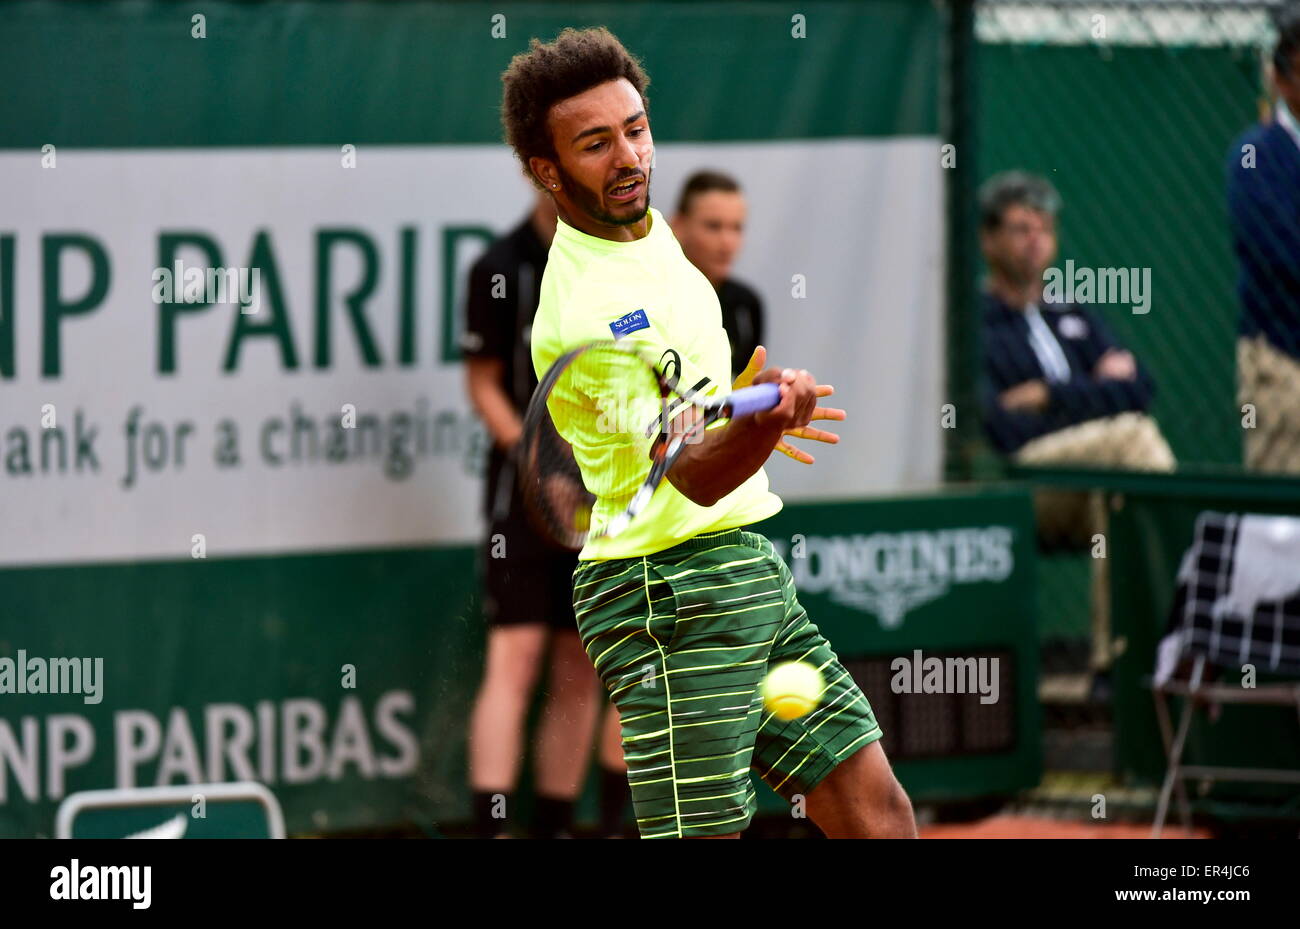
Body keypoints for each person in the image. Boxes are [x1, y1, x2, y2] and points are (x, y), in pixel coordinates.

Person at [501, 26, 915, 839]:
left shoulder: (653, 234)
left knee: (878, 812)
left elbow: (690, 409)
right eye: (595, 144)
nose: (629, 158)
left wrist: (749, 403)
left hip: (744, 566)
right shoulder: (581, 312)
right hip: (665, 592)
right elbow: (689, 473)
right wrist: (764, 429)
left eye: (637, 129)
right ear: (546, 171)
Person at [461, 191, 627, 838]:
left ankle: (555, 825)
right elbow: (482, 384)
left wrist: (595, 480)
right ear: (541, 173)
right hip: (521, 500)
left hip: (603, 501)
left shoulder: (619, 266)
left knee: (581, 662)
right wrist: (543, 468)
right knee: (516, 658)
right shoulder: (499, 267)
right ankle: (491, 827)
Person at [978, 170, 1175, 678]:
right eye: (1022, 228)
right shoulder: (973, 320)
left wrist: (1050, 396)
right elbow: (1004, 430)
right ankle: (1174, 636)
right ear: (989, 238)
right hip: (1021, 483)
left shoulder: (1073, 312)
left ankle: (1119, 666)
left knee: (1121, 492)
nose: (1036, 239)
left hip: (1092, 477)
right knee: (1132, 440)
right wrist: (1096, 397)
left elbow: (1139, 389)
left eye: (1045, 227)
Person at [1227, 2, 1300, 474]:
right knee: (1284, 521)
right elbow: (1281, 253)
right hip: (1282, 356)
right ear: (1279, 77)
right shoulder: (1254, 155)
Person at [671, 170, 764, 380]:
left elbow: (744, 388)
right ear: (678, 226)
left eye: (736, 228)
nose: (727, 242)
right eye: (713, 226)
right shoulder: (652, 298)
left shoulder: (747, 305)